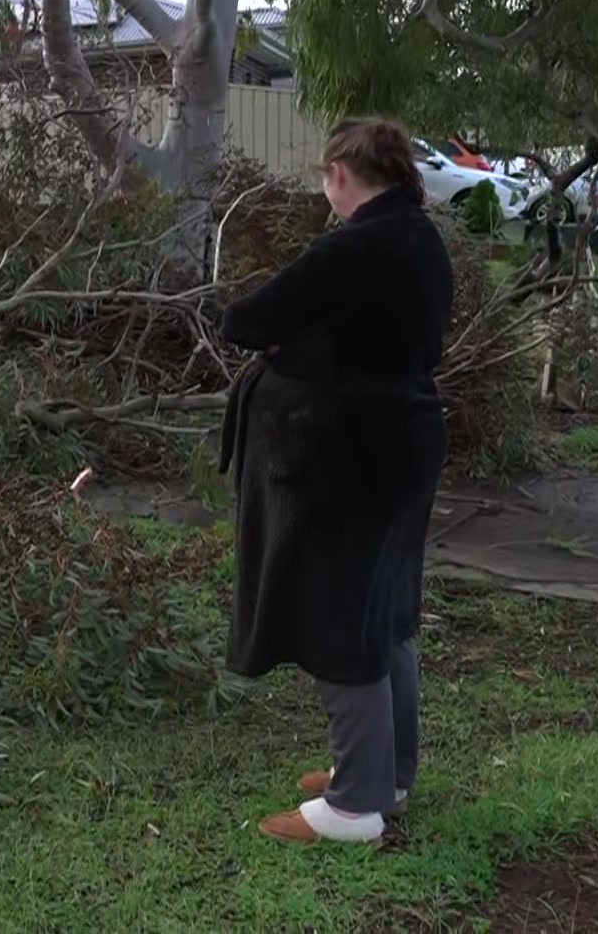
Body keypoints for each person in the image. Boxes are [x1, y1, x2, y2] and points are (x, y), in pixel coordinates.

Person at [217, 118, 454, 843]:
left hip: (349, 457)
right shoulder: (422, 239)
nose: (326, 192)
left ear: (342, 176)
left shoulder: (353, 247)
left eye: (326, 179)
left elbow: (247, 320)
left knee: (338, 615)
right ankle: (390, 777)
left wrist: (296, 341)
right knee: (385, 613)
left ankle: (354, 807)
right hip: (406, 441)